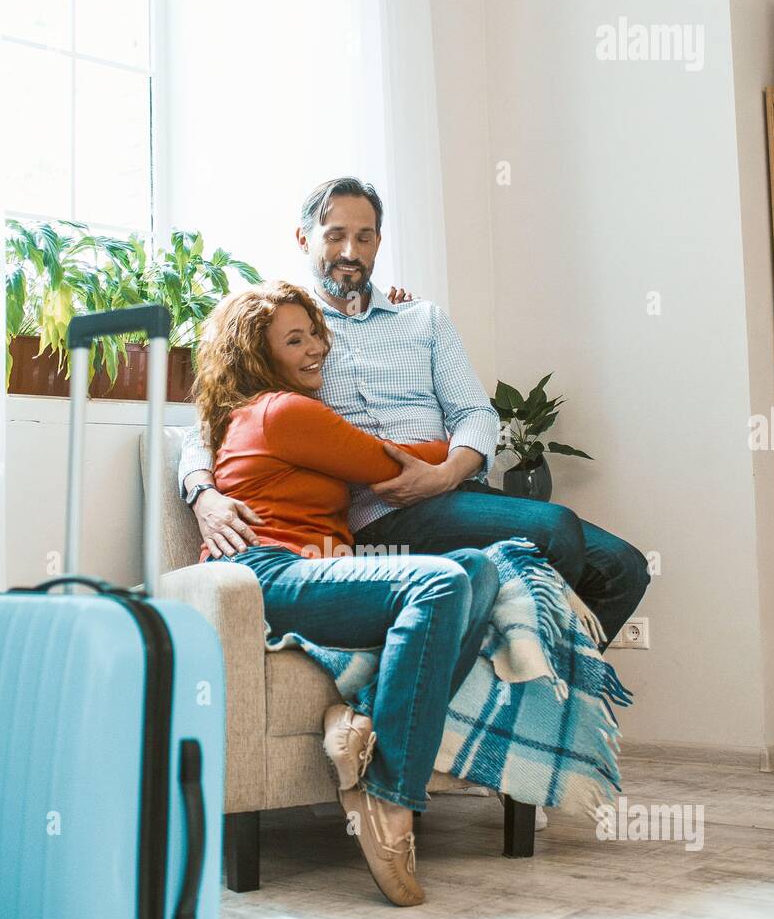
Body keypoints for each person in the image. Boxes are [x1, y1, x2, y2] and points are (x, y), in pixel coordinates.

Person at [179, 176, 649, 650]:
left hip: (455, 490)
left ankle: (530, 703)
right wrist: (203, 496)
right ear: (304, 239)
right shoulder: (290, 330)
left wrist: (446, 474)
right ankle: (521, 689)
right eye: (335, 235)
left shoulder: (423, 318)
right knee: (552, 528)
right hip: (379, 513)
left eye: (364, 237)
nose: (350, 251)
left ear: (379, 241)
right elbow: (214, 422)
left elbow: (475, 413)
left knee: (623, 567)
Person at [191, 281, 500, 908]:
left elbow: (371, 459)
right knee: (441, 579)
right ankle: (387, 795)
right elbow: (393, 463)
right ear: (257, 354)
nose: (317, 350)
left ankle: (362, 721)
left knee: (480, 569)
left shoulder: (274, 414)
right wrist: (454, 445)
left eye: (316, 333)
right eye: (295, 340)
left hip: (319, 571)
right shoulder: (283, 412)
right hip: (268, 574)